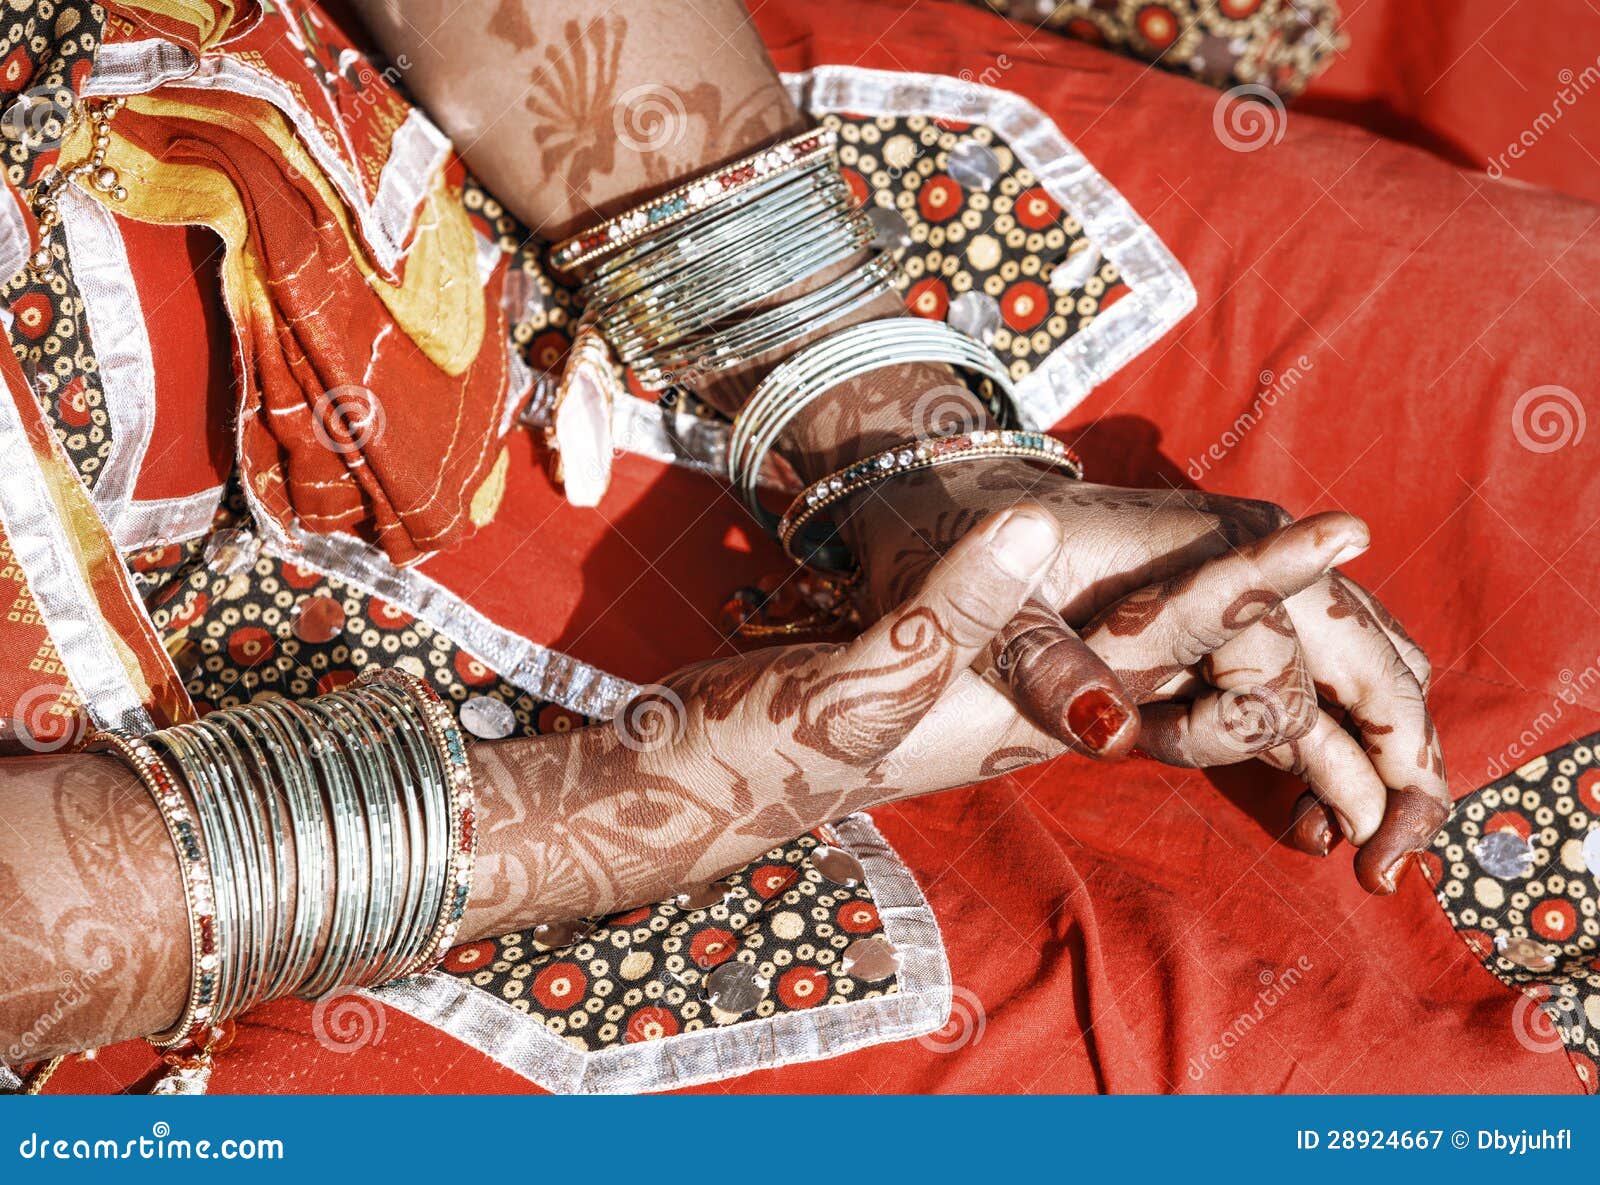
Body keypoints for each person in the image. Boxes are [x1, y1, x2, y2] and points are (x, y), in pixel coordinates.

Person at [0, 0, 1584, 1096]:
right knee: (1328, 1073)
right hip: (163, 903)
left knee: (1529, 393)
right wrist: (674, 794)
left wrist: (896, 440)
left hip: (547, 204)